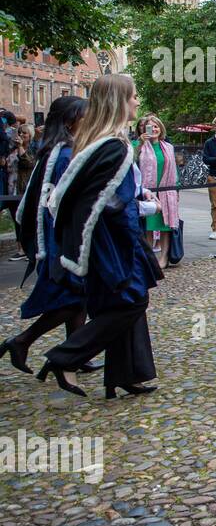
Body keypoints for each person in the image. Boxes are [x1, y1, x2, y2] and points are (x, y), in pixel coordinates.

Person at [42, 74, 160, 399]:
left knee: (124, 302)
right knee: (132, 300)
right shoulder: (113, 146)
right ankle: (64, 356)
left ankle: (125, 375)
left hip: (108, 239)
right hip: (111, 242)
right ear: (119, 101)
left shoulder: (101, 142)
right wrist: (142, 210)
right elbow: (108, 203)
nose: (137, 101)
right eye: (133, 96)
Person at [2, 97, 94, 377]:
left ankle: (74, 354)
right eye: (85, 116)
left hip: (58, 232)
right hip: (59, 235)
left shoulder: (58, 150)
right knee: (74, 295)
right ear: (70, 121)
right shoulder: (64, 154)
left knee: (77, 295)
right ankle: (22, 341)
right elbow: (63, 199)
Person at [135, 114, 181, 271]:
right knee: (148, 225)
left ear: (161, 129)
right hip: (148, 192)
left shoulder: (168, 147)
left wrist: (177, 189)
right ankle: (147, 257)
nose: (153, 129)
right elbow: (132, 163)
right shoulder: (139, 145)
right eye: (150, 126)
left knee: (164, 226)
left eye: (156, 126)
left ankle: (164, 257)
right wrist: (141, 142)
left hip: (167, 192)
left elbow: (174, 170)